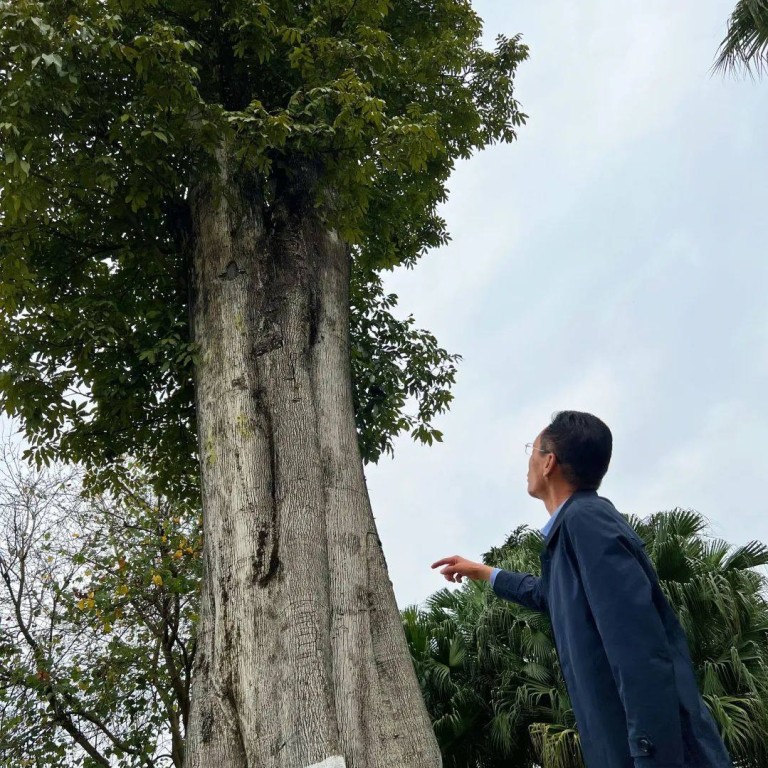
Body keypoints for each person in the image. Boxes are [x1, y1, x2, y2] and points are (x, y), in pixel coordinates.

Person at [431, 411, 733, 768]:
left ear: (549, 463)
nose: (527, 462)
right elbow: (550, 595)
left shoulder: (586, 521)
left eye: (532, 450)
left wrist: (649, 755)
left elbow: (638, 647)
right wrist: (485, 572)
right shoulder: (574, 527)